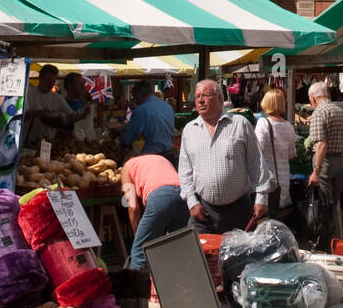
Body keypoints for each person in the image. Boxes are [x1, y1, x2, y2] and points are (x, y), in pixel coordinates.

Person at [177, 79, 269, 234]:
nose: (200, 100)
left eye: (205, 95)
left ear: (219, 98)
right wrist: (192, 202)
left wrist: (262, 198)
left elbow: (256, 164)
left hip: (239, 210)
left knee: (240, 256)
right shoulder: (189, 130)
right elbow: (185, 172)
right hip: (203, 212)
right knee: (199, 255)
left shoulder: (240, 124)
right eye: (197, 96)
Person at [122, 153, 189, 270]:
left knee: (140, 252)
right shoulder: (159, 158)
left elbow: (133, 207)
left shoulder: (126, 167)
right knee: (180, 249)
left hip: (159, 197)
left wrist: (137, 234)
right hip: (182, 196)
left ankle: (139, 286)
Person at [307, 80, 343, 241]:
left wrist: (316, 171)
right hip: (339, 160)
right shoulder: (340, 111)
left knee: (323, 205)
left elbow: (321, 145)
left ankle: (324, 242)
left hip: (324, 163)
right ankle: (335, 238)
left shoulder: (319, 113)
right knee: (333, 203)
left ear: (313, 98)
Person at [255, 88, 297, 216]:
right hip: (283, 177)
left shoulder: (263, 123)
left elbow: (257, 151)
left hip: (267, 177)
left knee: (265, 216)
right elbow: (292, 153)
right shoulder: (289, 126)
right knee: (279, 214)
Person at [23, 64, 81, 149]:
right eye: (48, 81)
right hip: (29, 143)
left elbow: (71, 116)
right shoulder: (28, 94)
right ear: (40, 78)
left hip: (49, 143)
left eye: (53, 81)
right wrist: (40, 113)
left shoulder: (57, 98)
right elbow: (24, 116)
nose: (50, 84)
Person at [121, 79, 176, 162]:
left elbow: (128, 139)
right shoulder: (167, 107)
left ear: (138, 95)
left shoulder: (141, 110)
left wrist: (119, 137)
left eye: (134, 98)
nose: (134, 101)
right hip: (170, 155)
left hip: (152, 157)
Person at [62, 72, 95, 144]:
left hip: (87, 144)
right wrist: (73, 134)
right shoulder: (62, 104)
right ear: (69, 86)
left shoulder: (84, 102)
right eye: (79, 84)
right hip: (70, 145)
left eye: (83, 84)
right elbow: (56, 130)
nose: (83, 87)